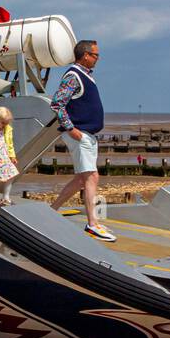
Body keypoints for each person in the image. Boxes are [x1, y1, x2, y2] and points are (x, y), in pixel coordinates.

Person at [49, 40, 115, 241]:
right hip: (80, 134)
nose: (97, 58)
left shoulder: (85, 76)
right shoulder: (73, 76)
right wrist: (71, 129)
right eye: (95, 55)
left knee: (81, 179)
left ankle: (51, 211)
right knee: (91, 177)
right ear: (85, 55)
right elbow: (57, 104)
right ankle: (93, 224)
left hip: (87, 134)